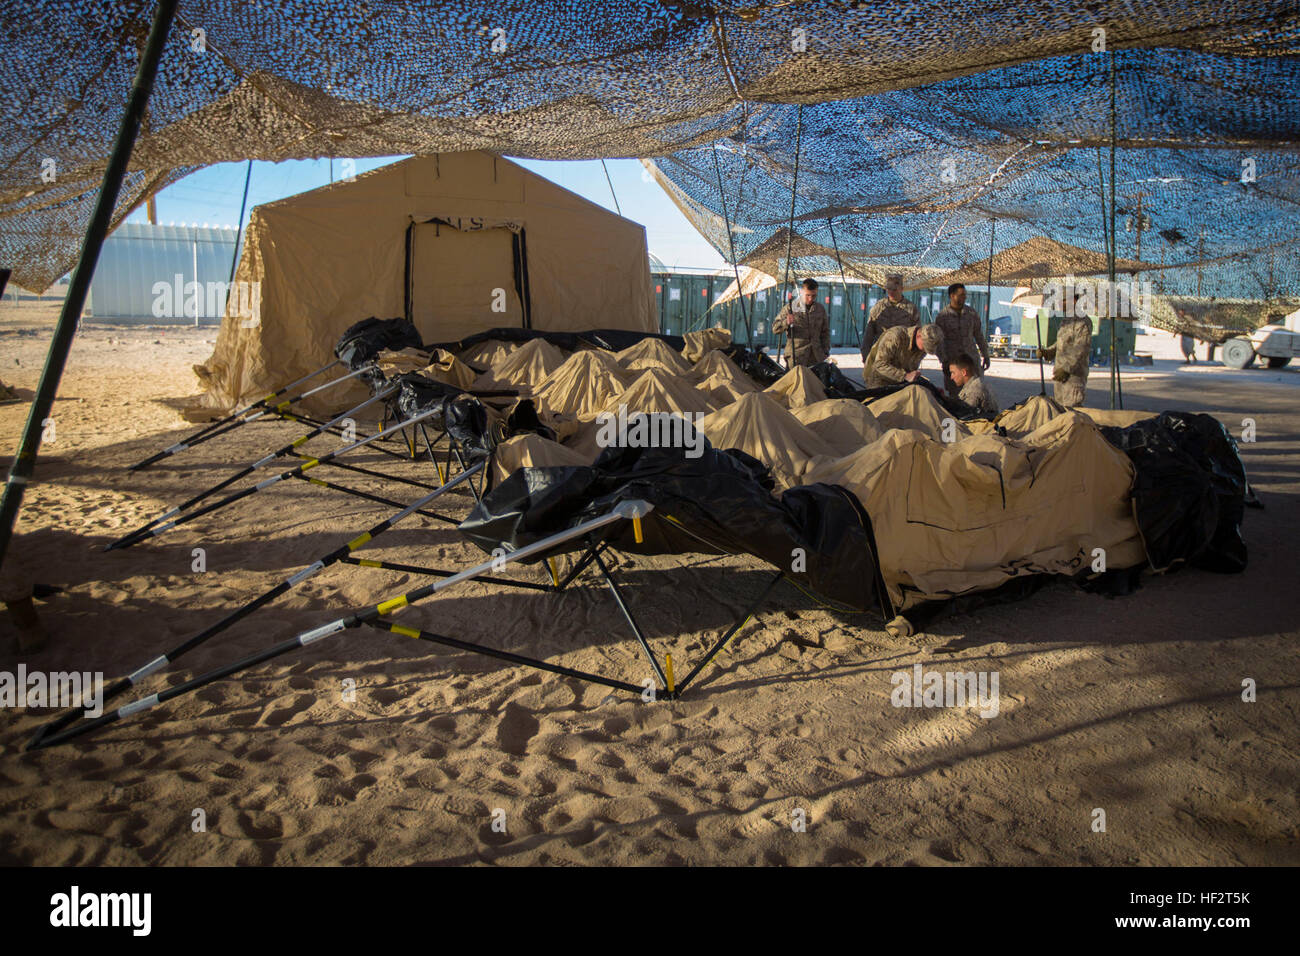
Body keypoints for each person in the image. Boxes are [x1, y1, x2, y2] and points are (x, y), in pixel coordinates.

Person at [934, 282, 991, 399]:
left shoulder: (971, 313)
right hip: (954, 363)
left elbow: (979, 335)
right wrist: (944, 361)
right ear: (952, 296)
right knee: (956, 395)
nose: (964, 298)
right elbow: (939, 342)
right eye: (961, 295)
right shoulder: (943, 317)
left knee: (976, 391)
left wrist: (986, 355)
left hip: (972, 361)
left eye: (965, 295)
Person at [1040, 291, 1092, 407]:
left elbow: (1081, 349)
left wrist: (1066, 369)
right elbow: (1061, 343)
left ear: (1073, 300)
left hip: (1073, 377)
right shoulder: (1066, 320)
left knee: (1072, 413)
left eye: (1063, 300)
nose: (1060, 303)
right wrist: (1048, 352)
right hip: (1060, 374)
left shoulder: (1083, 322)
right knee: (1059, 411)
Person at [864, 322, 944, 388]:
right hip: (877, 378)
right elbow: (879, 365)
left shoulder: (921, 347)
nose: (924, 350)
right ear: (919, 336)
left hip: (899, 381)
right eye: (925, 346)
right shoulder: (895, 336)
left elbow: (911, 370)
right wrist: (905, 376)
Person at [860, 273, 919, 362]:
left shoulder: (911, 308)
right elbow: (869, 334)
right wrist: (865, 356)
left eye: (894, 289)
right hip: (880, 355)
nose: (891, 292)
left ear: (902, 289)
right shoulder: (879, 307)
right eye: (889, 289)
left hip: (901, 358)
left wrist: (914, 359)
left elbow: (917, 335)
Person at [773, 278, 830, 367]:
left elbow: (825, 332)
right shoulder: (790, 308)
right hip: (796, 357)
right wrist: (786, 322)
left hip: (816, 357)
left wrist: (826, 350)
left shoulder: (820, 309)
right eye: (808, 295)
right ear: (802, 292)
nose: (810, 299)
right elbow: (775, 328)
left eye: (813, 296)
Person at [949, 352, 999, 416]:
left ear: (964, 372)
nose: (951, 377)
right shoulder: (974, 383)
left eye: (953, 373)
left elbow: (963, 414)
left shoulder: (974, 390)